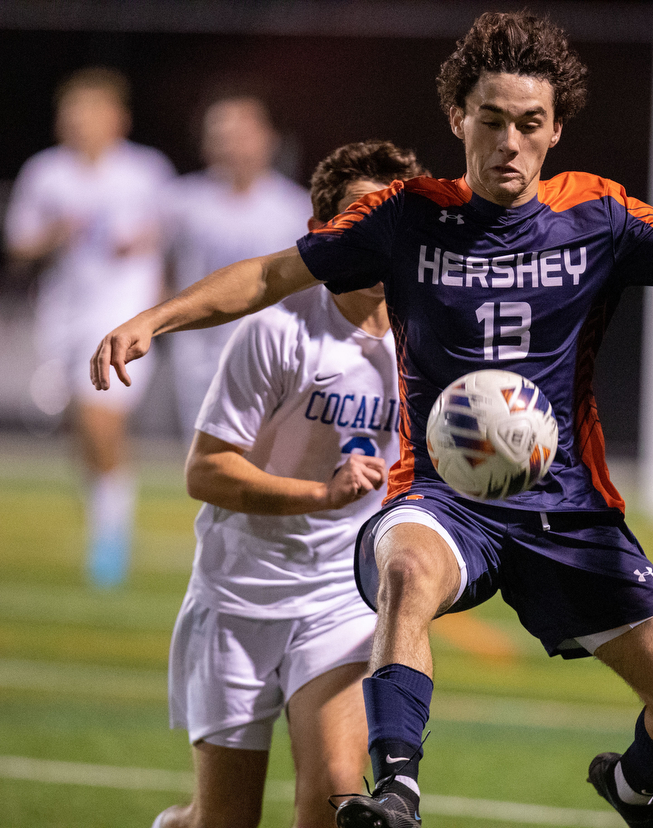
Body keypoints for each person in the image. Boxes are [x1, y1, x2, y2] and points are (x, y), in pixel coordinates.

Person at [91, 12, 653, 828]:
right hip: (442, 498)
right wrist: (152, 318)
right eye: (492, 119)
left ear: (555, 128)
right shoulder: (407, 218)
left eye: (530, 122)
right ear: (457, 116)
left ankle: (626, 783)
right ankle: (397, 788)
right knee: (405, 574)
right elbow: (272, 276)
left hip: (566, 509)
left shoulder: (598, 217)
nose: (510, 142)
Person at [151, 140, 428, 828]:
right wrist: (321, 495)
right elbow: (205, 470)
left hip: (341, 597)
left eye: (387, 223)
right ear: (321, 236)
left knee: (335, 791)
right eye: (354, 224)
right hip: (239, 595)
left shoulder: (425, 341)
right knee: (224, 819)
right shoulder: (277, 331)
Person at [4, 66, 175, 588]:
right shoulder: (46, 173)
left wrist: (161, 305)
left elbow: (167, 240)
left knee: (102, 418)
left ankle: (110, 536)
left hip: (122, 314)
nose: (78, 123)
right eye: (71, 114)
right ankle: (105, 507)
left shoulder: (146, 172)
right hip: (63, 316)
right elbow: (18, 247)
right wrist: (55, 234)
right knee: (79, 425)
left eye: (89, 112)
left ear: (116, 118)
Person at [164, 94, 313, 441]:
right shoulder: (182, 202)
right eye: (220, 136)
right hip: (197, 353)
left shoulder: (293, 208)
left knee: (266, 459)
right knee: (206, 461)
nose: (230, 146)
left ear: (268, 138)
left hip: (271, 353)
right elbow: (161, 267)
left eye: (240, 134)